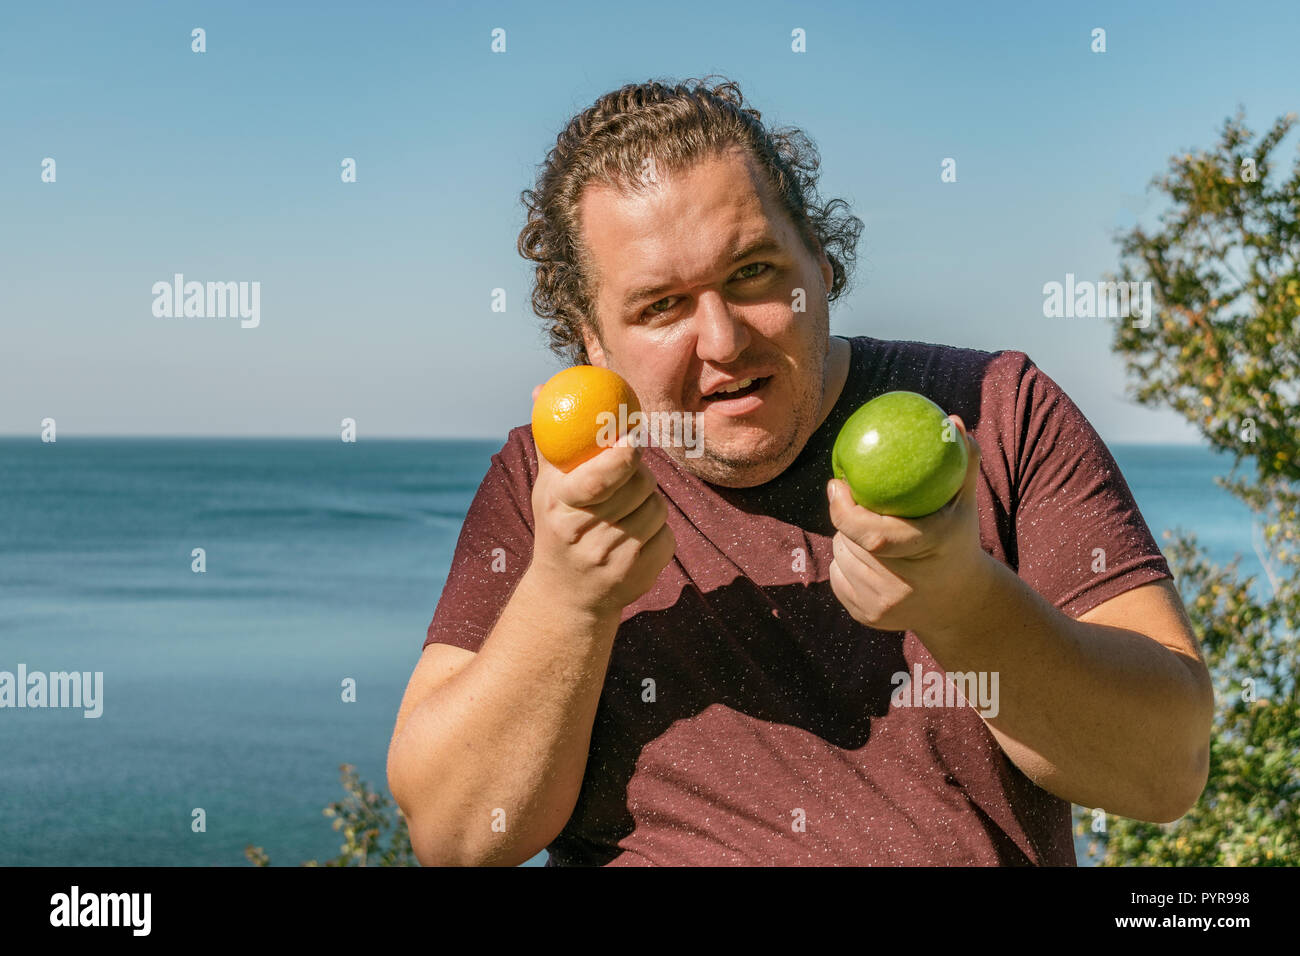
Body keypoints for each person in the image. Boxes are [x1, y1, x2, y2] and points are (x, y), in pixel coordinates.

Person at [386, 76, 1213, 866]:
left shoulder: (992, 412)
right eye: (660, 306)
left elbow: (1164, 770)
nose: (722, 341)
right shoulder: (560, 479)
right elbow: (458, 837)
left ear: (820, 262)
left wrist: (965, 602)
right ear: (591, 339)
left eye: (752, 273)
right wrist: (566, 600)